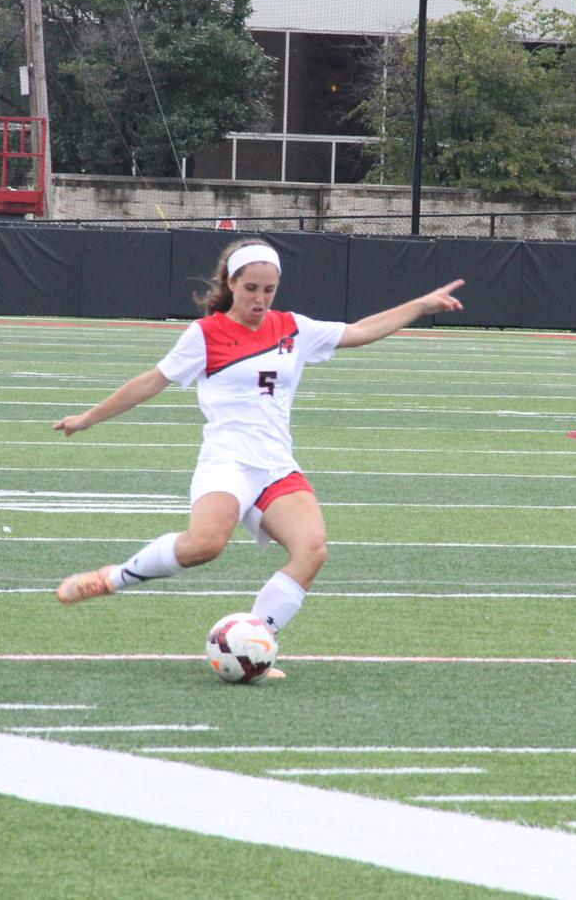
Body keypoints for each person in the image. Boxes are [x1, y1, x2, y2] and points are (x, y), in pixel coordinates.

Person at [53, 239, 463, 679]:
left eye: (269, 289)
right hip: (227, 463)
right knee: (204, 546)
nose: (260, 299)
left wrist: (421, 305)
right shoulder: (205, 334)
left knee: (312, 551)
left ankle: (254, 643)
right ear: (231, 283)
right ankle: (112, 578)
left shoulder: (293, 328)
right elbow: (151, 382)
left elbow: (360, 331)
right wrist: (88, 418)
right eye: (251, 288)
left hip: (276, 467)